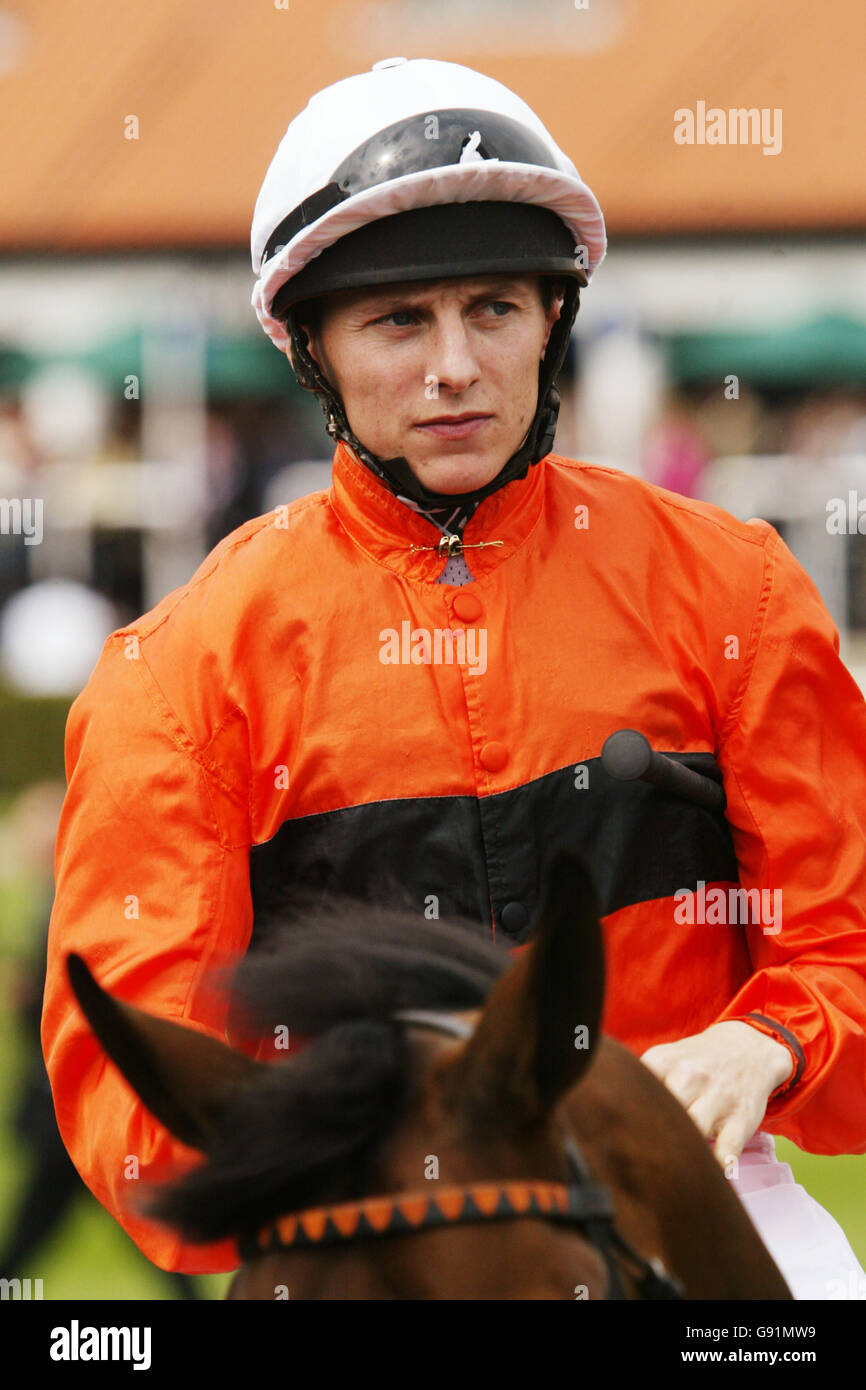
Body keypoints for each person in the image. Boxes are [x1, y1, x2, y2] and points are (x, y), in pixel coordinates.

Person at [43, 57, 866, 1297]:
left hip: (681, 1180)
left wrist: (766, 1041)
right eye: (395, 320)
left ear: (552, 321)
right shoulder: (178, 675)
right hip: (356, 1223)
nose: (453, 368)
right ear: (312, 348)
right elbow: (137, 1094)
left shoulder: (733, 589)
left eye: (492, 308)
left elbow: (843, 944)